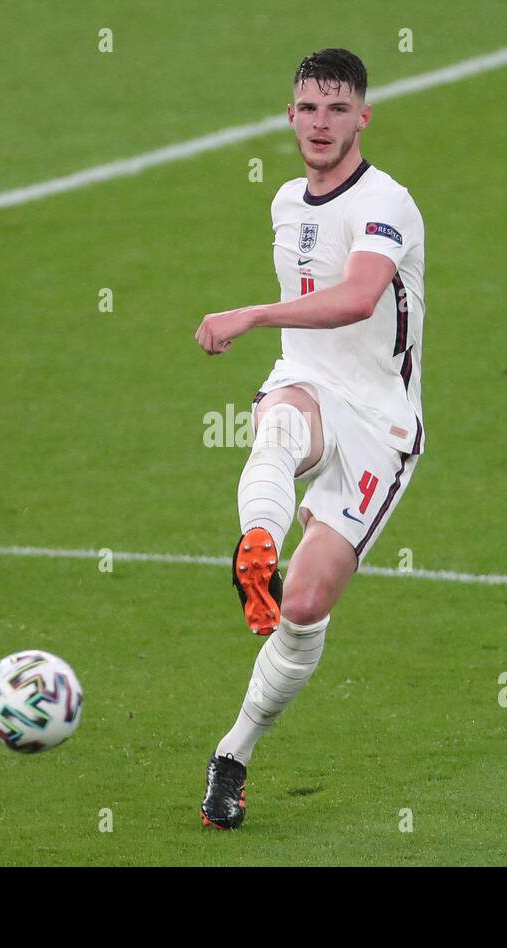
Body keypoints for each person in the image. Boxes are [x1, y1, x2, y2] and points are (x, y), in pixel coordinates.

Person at [193, 48, 427, 829]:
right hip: (307, 386)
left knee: (305, 604)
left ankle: (234, 753)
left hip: (381, 426)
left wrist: (251, 315)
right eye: (308, 109)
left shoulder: (387, 200)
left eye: (337, 109)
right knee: (281, 425)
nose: (320, 123)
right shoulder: (286, 200)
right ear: (289, 116)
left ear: (363, 116)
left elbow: (360, 298)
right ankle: (255, 543)